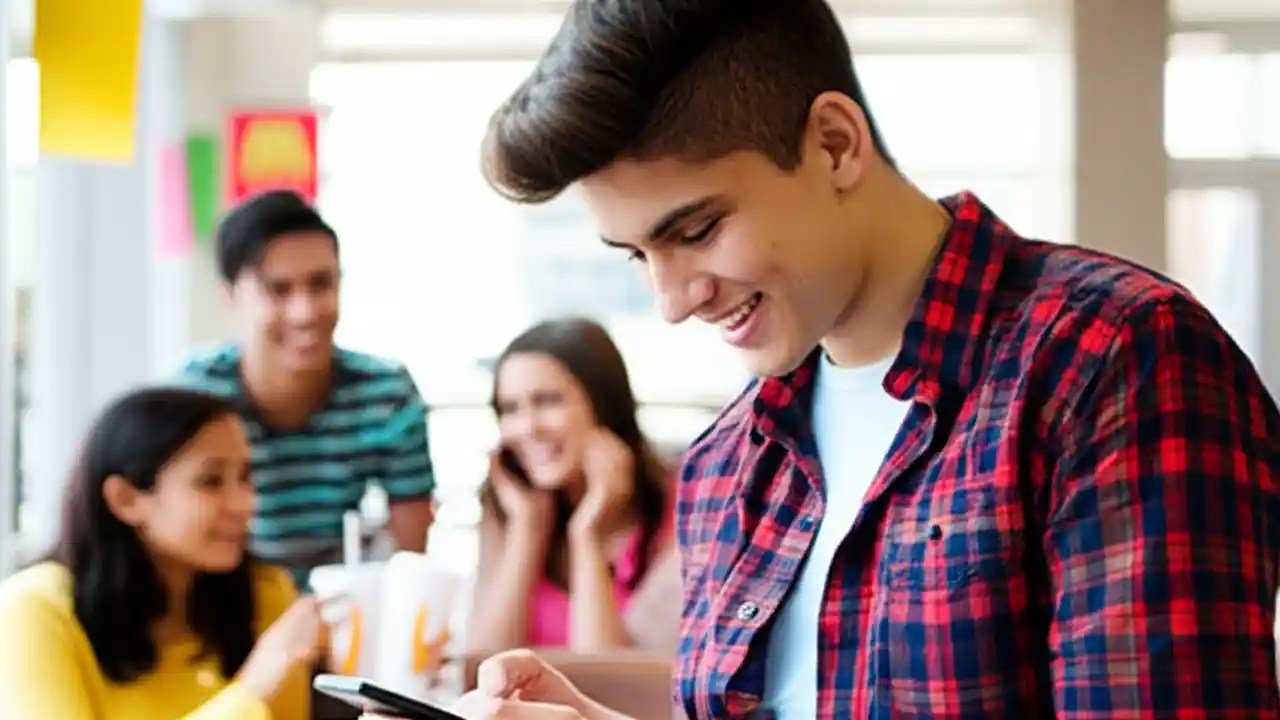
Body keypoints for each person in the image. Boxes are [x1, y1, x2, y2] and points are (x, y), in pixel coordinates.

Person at [438, 0, 1280, 718]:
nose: (673, 299)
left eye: (695, 232)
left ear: (836, 144)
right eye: (635, 255)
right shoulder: (729, 461)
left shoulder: (1112, 362)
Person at [0, 387, 328, 719]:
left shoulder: (267, 593)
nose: (243, 503)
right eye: (210, 481)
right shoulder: (33, 611)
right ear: (125, 499)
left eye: (245, 477)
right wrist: (254, 690)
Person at [181, 190, 436, 587]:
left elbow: (411, 561)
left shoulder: (386, 393)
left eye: (321, 284)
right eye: (278, 290)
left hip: (339, 613)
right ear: (230, 297)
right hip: (222, 613)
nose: (305, 312)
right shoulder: (195, 393)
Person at [468, 318, 681, 654]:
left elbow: (608, 681)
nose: (528, 428)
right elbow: (483, 666)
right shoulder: (511, 504)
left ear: (605, 406)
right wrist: (527, 532)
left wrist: (588, 537)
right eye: (510, 409)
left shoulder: (682, 508)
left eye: (548, 401)